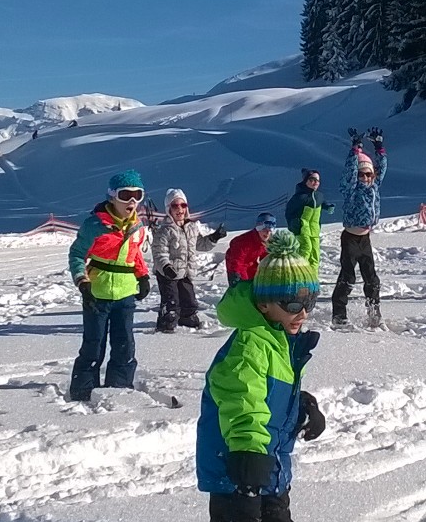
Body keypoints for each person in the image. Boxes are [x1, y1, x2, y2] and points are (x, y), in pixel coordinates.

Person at [195, 227, 327, 522]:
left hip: (269, 468)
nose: (301, 311)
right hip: (238, 467)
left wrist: (301, 404)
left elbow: (270, 393)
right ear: (265, 303)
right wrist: (249, 451)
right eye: (291, 300)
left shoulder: (279, 338)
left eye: (309, 299)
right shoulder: (251, 342)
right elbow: (241, 397)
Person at [66, 169, 153, 401]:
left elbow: (135, 254)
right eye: (125, 195)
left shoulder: (137, 227)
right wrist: (82, 282)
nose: (132, 201)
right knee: (94, 343)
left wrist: (142, 275)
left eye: (138, 195)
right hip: (98, 293)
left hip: (125, 294)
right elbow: (76, 255)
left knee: (124, 343)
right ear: (112, 197)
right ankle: (83, 388)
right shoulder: (95, 225)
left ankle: (120, 386)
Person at [331, 127, 387, 328]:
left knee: (371, 277)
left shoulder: (374, 186)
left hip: (365, 238)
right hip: (350, 238)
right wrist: (356, 149)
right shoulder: (351, 189)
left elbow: (382, 167)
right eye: (362, 175)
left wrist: (379, 147)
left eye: (368, 175)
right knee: (348, 277)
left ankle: (374, 313)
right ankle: (339, 314)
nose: (365, 178)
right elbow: (349, 172)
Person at [152, 188, 227, 332]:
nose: (179, 209)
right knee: (171, 302)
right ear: (169, 209)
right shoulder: (165, 230)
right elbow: (158, 252)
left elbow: (200, 244)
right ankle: (166, 326)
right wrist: (166, 266)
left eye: (183, 205)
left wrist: (214, 237)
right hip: (167, 274)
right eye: (175, 206)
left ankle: (188, 319)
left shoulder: (191, 227)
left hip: (185, 272)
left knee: (190, 301)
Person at [284, 169, 335, 272]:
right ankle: (299, 273)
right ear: (306, 181)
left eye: (317, 180)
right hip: (302, 227)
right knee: (305, 249)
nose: (315, 182)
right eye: (312, 179)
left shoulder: (318, 195)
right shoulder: (300, 197)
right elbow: (289, 211)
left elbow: (321, 202)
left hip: (314, 228)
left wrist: (327, 206)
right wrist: (293, 223)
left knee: (315, 252)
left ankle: (312, 277)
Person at [226, 212, 276, 285]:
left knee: (257, 280)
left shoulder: (266, 242)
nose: (267, 233)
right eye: (264, 230)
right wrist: (235, 272)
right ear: (258, 229)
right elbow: (237, 259)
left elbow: (265, 257)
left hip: (251, 263)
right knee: (243, 284)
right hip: (236, 265)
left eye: (270, 231)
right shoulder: (244, 242)